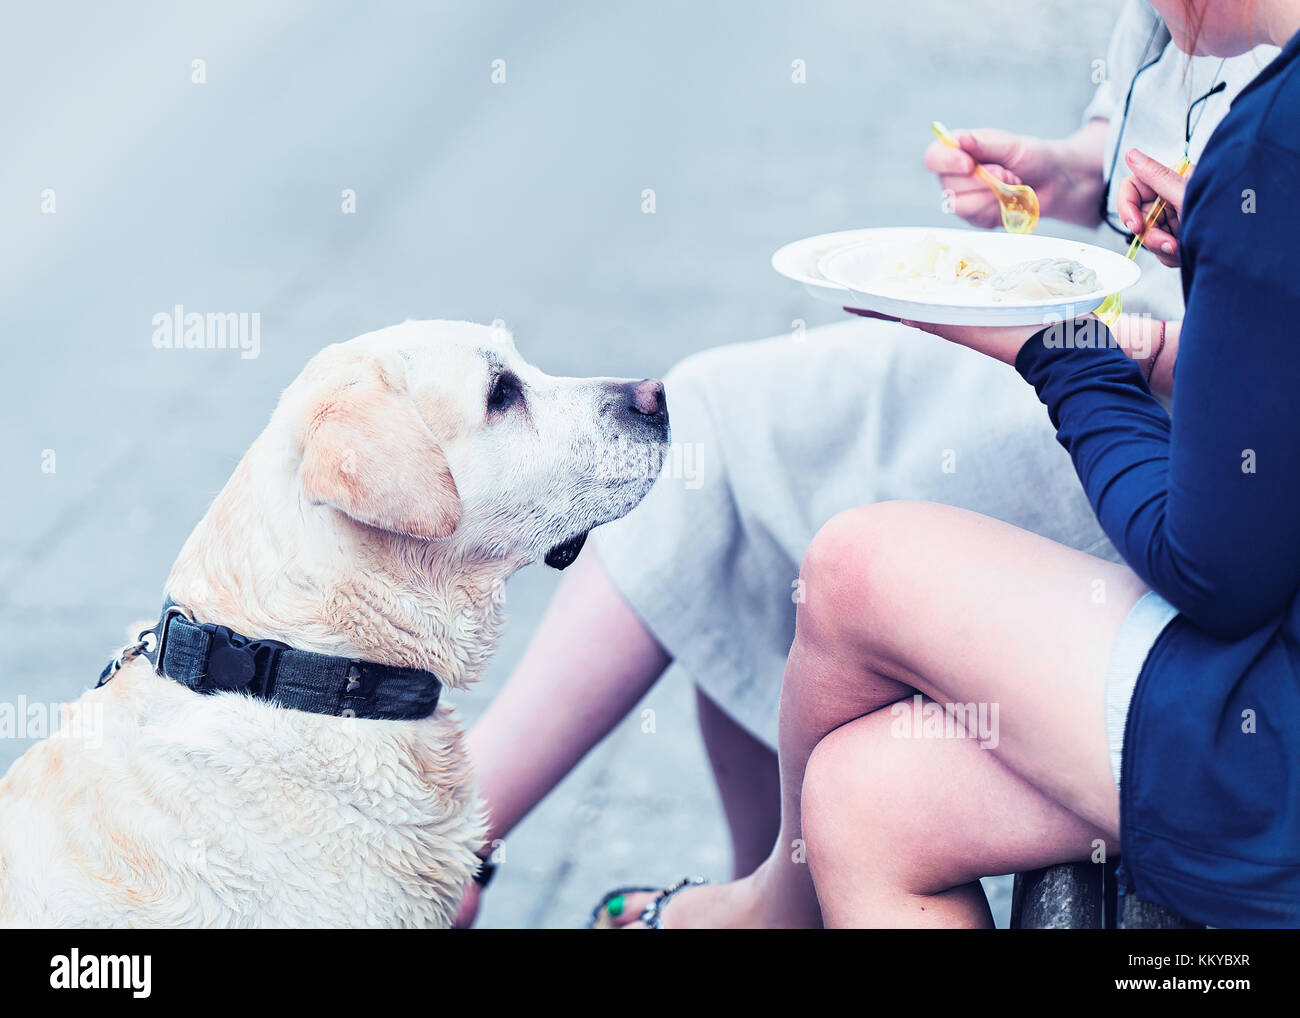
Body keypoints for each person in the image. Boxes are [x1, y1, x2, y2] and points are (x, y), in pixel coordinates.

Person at [461, 1, 1278, 927]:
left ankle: (720, 901)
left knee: (794, 502)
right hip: (1184, 397)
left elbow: (1220, 562)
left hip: (1206, 491)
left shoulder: (1271, 135)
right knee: (850, 755)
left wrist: (1078, 351)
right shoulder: (1258, 115)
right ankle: (725, 890)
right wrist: (1079, 186)